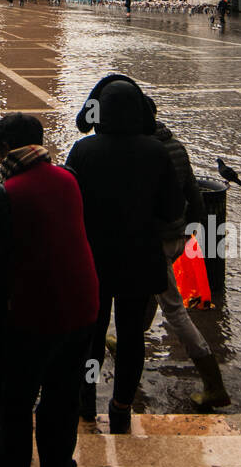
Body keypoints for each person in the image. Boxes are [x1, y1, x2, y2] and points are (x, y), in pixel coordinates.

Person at [0, 113, 98, 467]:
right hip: (81, 309)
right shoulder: (68, 179)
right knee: (62, 398)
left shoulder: (0, 198)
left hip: (31, 315)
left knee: (17, 401)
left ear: (1, 150)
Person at [66, 78, 184, 433]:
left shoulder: (83, 151)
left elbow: (70, 207)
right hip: (139, 260)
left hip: (94, 262)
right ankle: (121, 408)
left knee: (92, 336)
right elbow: (172, 209)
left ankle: (87, 400)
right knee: (132, 337)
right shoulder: (156, 153)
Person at [144, 98, 230, 408]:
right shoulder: (176, 145)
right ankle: (132, 337)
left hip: (158, 239)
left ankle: (213, 382)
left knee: (175, 310)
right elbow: (192, 191)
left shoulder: (146, 150)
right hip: (178, 234)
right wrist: (188, 231)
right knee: (153, 289)